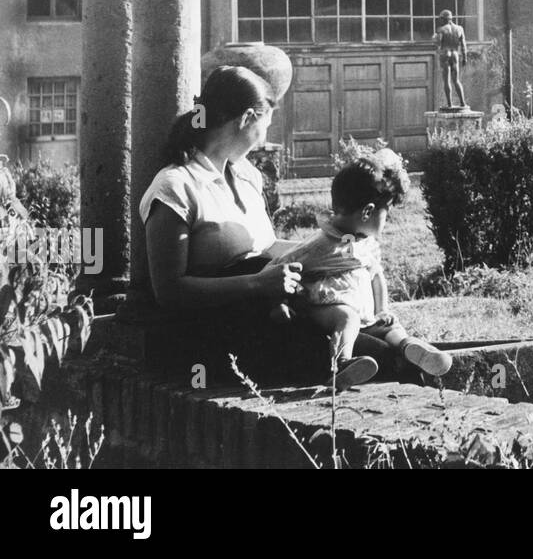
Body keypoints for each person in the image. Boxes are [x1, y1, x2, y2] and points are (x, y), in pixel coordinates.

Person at [272, 149, 453, 389]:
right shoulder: (321, 245)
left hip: (367, 315)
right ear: (368, 211)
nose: (386, 220)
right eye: (385, 212)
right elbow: (278, 268)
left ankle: (410, 347)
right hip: (327, 308)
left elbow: (377, 276)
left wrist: (383, 309)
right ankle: (342, 364)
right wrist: (280, 302)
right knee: (347, 318)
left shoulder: (365, 243)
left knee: (390, 325)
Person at [140, 65, 303, 315]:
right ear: (247, 118)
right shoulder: (176, 187)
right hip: (214, 327)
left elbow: (266, 247)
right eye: (265, 127)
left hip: (268, 316)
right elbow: (169, 291)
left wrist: (326, 249)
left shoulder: (247, 176)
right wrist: (258, 283)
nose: (263, 140)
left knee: (373, 339)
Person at [436, 9, 468, 109]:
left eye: (441, 19)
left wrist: (434, 39)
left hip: (445, 53)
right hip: (455, 54)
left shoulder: (441, 29)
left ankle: (449, 104)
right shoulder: (459, 28)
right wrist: (464, 57)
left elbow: (438, 44)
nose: (440, 21)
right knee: (456, 80)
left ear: (444, 19)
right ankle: (463, 103)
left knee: (446, 80)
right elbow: (463, 44)